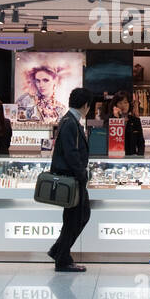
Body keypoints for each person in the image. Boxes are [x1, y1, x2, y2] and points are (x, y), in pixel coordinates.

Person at [48, 87, 92, 273]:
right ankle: (62, 258)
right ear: (86, 105)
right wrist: (82, 173)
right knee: (75, 218)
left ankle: (58, 251)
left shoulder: (70, 120)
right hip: (73, 179)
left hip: (73, 178)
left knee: (78, 216)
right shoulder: (70, 123)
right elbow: (71, 152)